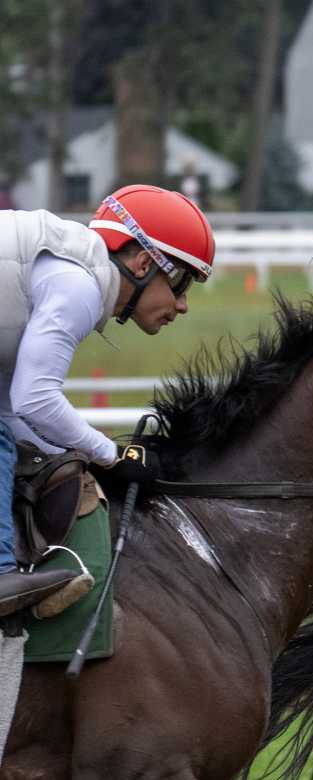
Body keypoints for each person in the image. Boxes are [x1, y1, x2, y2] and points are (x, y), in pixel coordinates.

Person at [0, 185, 210, 613]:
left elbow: (12, 406)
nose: (183, 304)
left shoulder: (69, 273)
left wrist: (82, 454)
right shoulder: (78, 287)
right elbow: (34, 398)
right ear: (143, 262)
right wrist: (110, 455)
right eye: (180, 282)